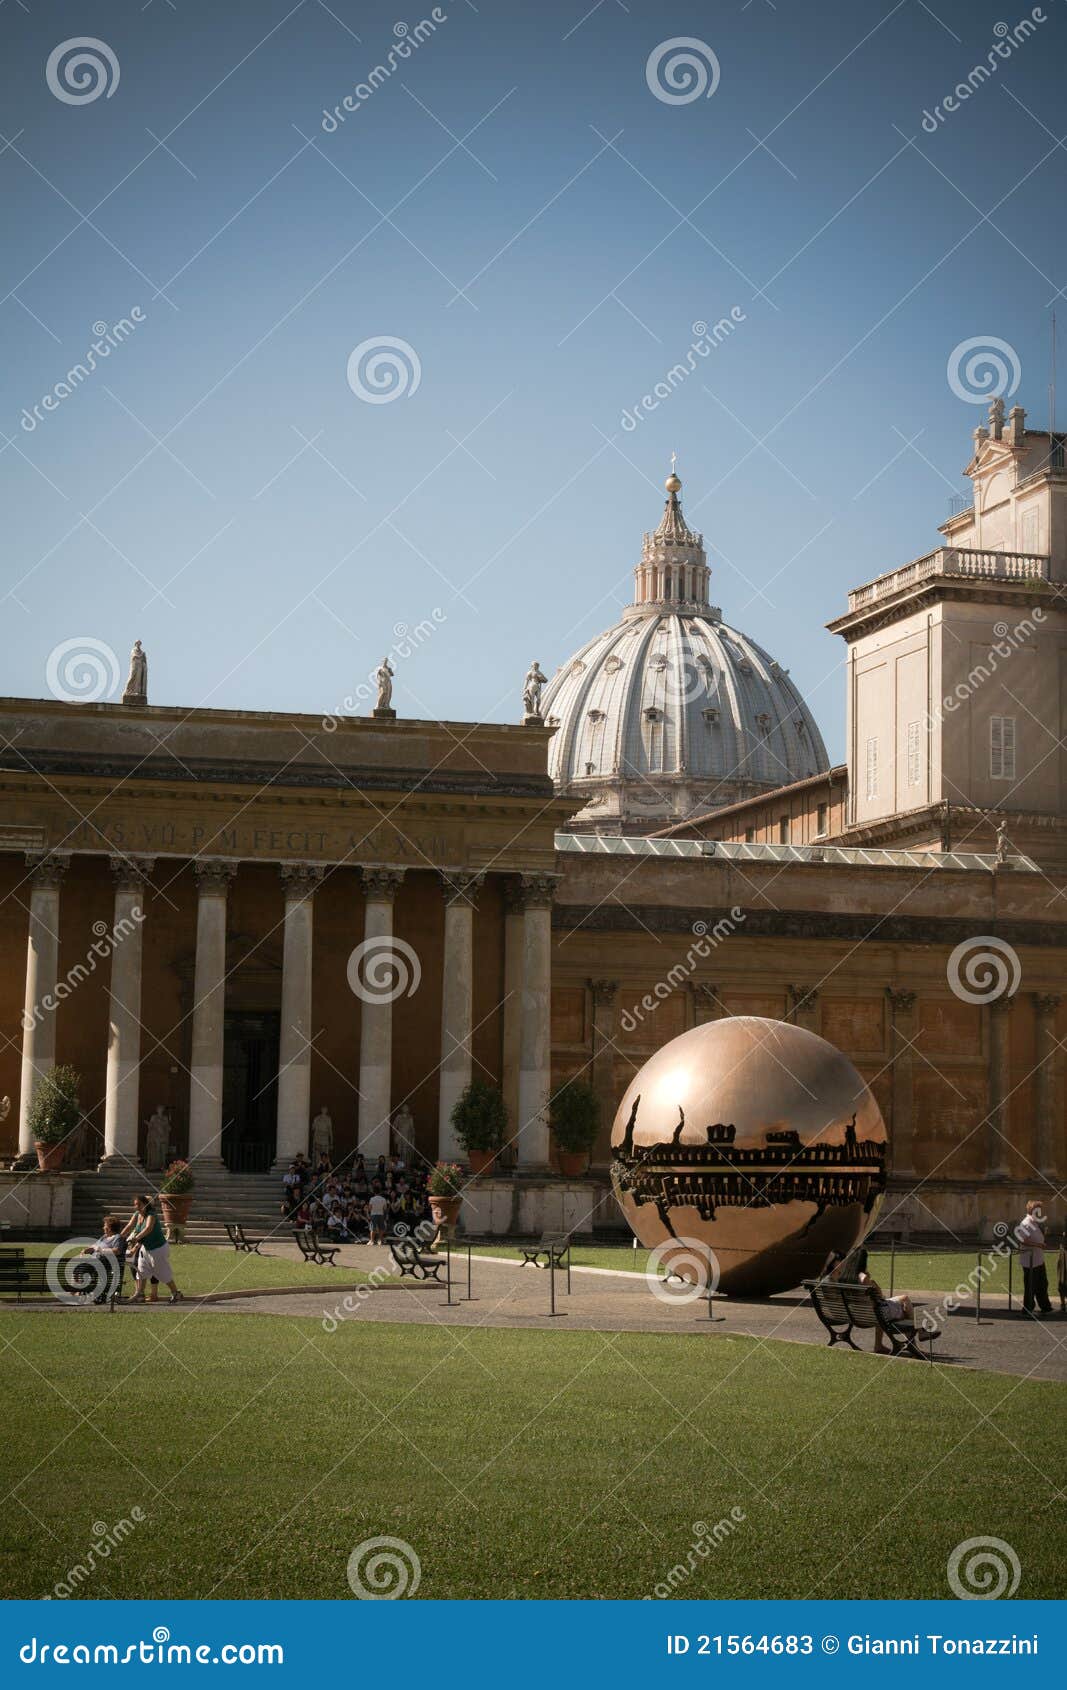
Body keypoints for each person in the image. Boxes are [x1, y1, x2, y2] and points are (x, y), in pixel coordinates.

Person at [851, 1247, 915, 1354]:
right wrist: (873, 1282)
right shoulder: (864, 1278)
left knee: (903, 1300)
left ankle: (879, 1345)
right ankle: (915, 1339)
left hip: (856, 1314)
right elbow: (879, 1296)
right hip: (873, 1313)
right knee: (905, 1306)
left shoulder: (845, 1277)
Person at [122, 1195, 183, 1304]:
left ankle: (176, 1293)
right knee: (141, 1271)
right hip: (146, 1248)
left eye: (139, 1204)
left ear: (145, 1204)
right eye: (135, 1204)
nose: (136, 1207)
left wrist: (136, 1238)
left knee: (162, 1273)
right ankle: (140, 1294)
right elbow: (129, 1226)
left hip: (158, 1248)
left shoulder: (151, 1215)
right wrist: (119, 1237)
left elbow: (148, 1228)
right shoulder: (137, 1214)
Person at [1015, 1200, 1053, 1316]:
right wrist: (1038, 1245)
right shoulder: (1026, 1223)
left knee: (1042, 1284)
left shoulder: (1034, 1222)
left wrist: (1042, 1238)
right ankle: (1027, 1309)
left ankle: (1046, 1307)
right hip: (1030, 1261)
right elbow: (1022, 1240)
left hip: (1038, 1259)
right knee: (1031, 1285)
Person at [79, 1215, 126, 1303]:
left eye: (105, 1225)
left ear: (110, 1228)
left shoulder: (117, 1237)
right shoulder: (104, 1237)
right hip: (96, 1261)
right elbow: (95, 1246)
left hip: (106, 1263)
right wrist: (87, 1250)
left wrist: (101, 1250)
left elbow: (117, 1251)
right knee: (80, 1269)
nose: (103, 1227)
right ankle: (81, 1291)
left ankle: (79, 1291)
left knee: (81, 1269)